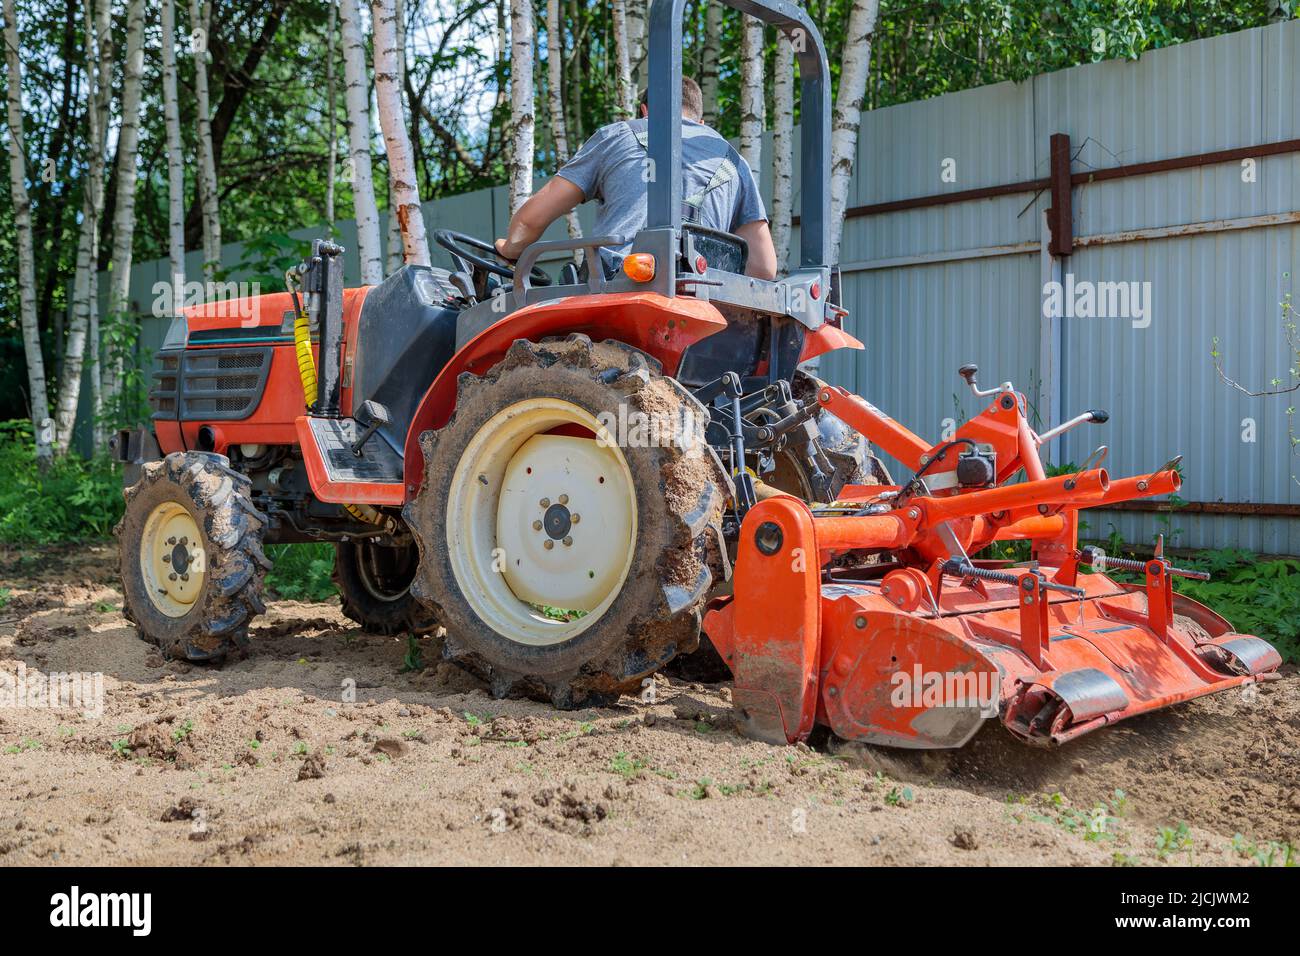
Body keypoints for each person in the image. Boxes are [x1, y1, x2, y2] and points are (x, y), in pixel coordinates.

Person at [494, 76, 777, 280]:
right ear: (700, 124)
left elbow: (530, 219)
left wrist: (511, 248)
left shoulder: (618, 135)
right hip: (706, 303)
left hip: (620, 290)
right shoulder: (733, 161)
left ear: (644, 112)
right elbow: (764, 267)